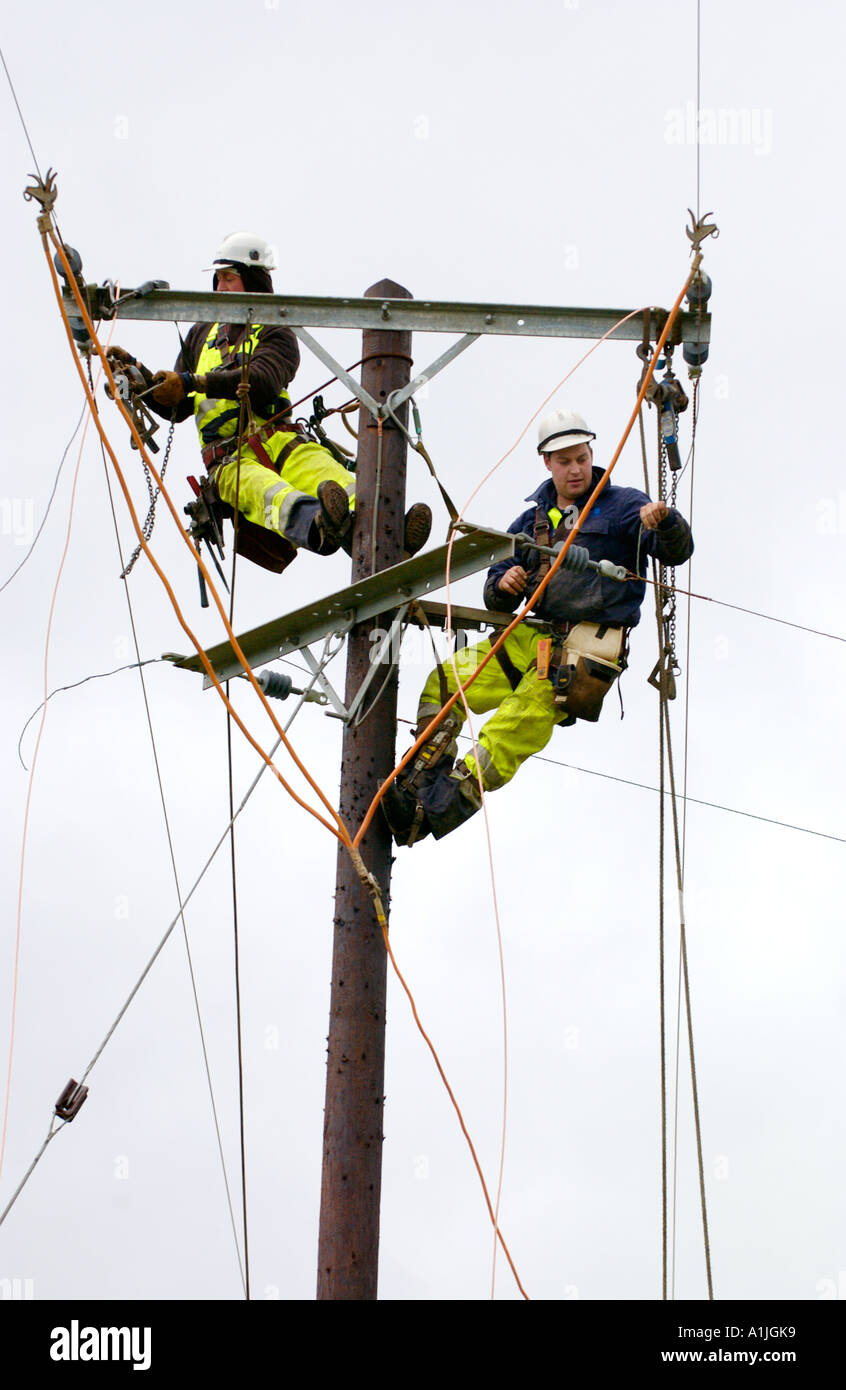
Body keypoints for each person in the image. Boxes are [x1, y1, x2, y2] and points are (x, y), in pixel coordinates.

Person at [382, 407, 693, 846]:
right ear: (547, 462)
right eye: (564, 461)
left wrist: (665, 521)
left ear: (591, 454)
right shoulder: (529, 523)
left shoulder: (622, 504)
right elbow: (496, 586)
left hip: (587, 646)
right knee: (444, 682)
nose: (576, 469)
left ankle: (431, 812)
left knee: (513, 722)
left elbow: (675, 551)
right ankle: (418, 781)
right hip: (535, 635)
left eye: (581, 458)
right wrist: (504, 585)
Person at [112, 232, 431, 571]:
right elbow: (176, 405)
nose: (220, 288)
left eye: (228, 278)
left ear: (252, 280)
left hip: (279, 438)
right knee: (265, 491)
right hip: (228, 459)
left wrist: (193, 381)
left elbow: (263, 381)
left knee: (331, 476)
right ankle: (320, 525)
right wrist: (141, 377)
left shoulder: (276, 331)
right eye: (217, 279)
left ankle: (390, 535)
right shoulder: (201, 334)